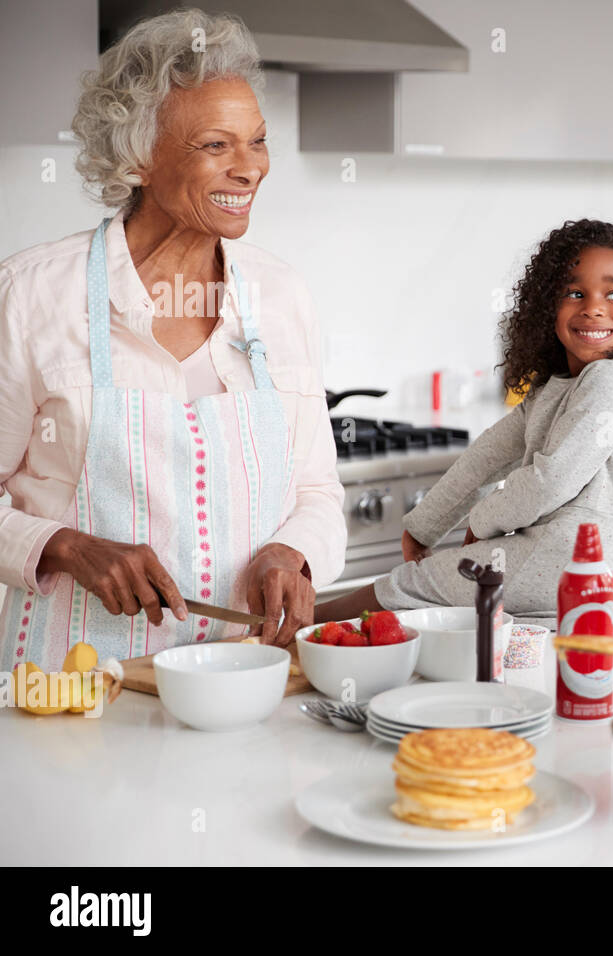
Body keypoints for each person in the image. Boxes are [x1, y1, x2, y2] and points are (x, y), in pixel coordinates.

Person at [0, 9, 346, 666]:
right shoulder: (32, 295)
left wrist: (292, 552)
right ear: (138, 158)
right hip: (73, 696)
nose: (250, 169)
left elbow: (317, 490)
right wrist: (64, 546)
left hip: (247, 683)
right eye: (217, 145)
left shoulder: (281, 295)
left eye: (258, 141)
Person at [314, 219, 613, 627]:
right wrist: (424, 525)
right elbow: (487, 456)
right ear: (549, 309)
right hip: (587, 577)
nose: (593, 307)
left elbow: (548, 482)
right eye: (574, 293)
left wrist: (483, 525)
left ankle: (298, 631)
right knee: (432, 592)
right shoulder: (557, 389)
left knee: (413, 585)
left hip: (579, 568)